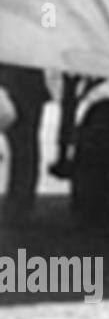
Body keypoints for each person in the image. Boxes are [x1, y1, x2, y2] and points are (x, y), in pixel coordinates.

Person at [0, 65, 50, 225]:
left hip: (17, 81)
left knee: (23, 147)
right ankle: (21, 205)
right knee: (25, 149)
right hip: (24, 82)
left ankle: (19, 205)